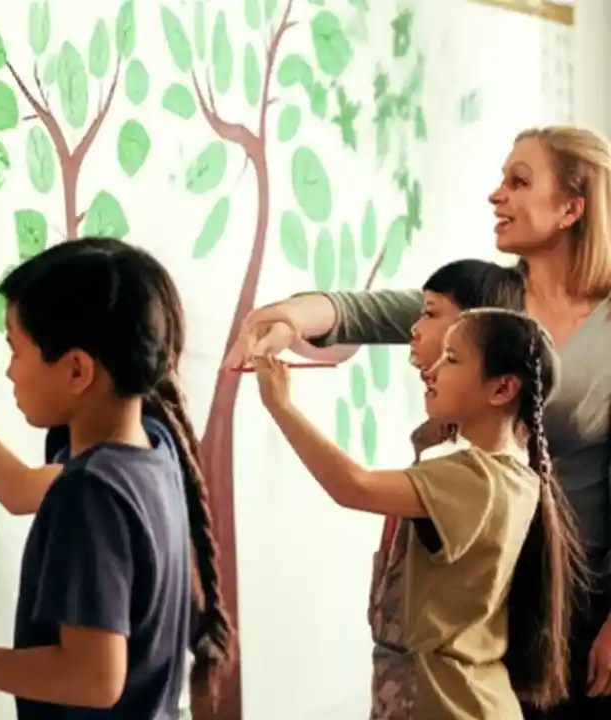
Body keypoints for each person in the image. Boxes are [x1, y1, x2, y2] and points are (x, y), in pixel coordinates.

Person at [225, 125, 611, 718]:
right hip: (486, 598)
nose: (496, 195)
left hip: (582, 603)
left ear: (571, 208)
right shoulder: (491, 304)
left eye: (518, 181)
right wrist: (283, 319)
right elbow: (361, 311)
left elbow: (352, 485)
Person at [0, 239, 233, 713]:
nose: (9, 371)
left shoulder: (91, 492)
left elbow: (92, 679)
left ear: (77, 370)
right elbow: (18, 489)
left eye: (15, 350)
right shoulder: (151, 448)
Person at [254, 308, 584, 718]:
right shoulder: (510, 474)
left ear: (501, 389)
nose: (431, 370)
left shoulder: (473, 477)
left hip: (447, 702)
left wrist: (281, 405)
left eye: (451, 359)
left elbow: (353, 485)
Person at [369, 259, 526, 719]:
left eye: (431, 314)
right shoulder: (441, 435)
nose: (415, 330)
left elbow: (351, 486)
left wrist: (279, 402)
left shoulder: (475, 456)